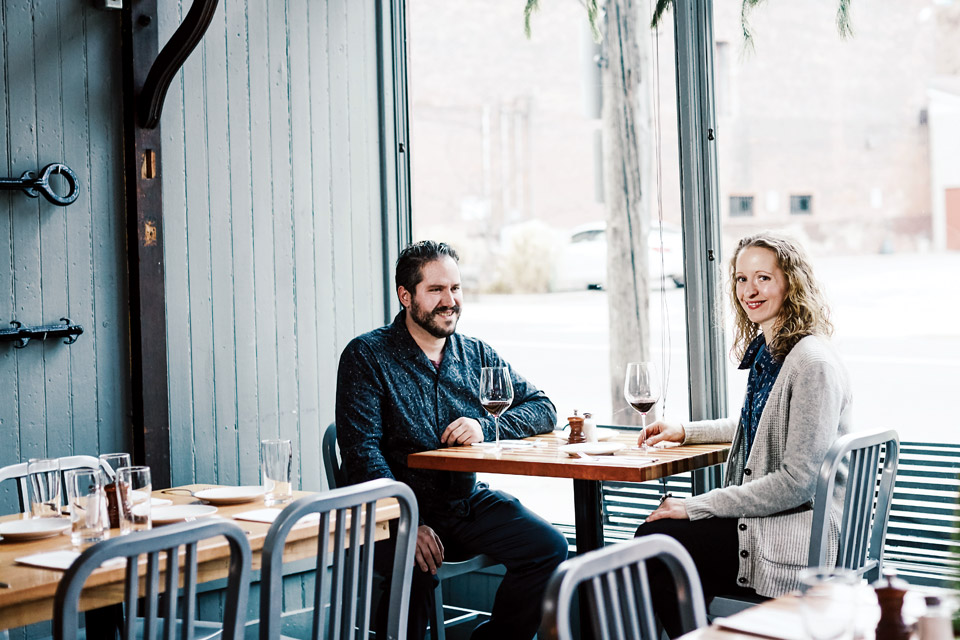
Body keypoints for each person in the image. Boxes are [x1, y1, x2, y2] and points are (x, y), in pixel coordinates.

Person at [335, 240, 568, 640]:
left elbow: (543, 407)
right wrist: (408, 522)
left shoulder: (475, 353)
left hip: (463, 501)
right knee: (416, 567)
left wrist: (485, 427)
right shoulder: (367, 355)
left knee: (548, 548)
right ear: (406, 296)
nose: (450, 301)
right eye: (436, 290)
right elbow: (361, 455)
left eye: (456, 289)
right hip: (389, 512)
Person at [635, 232, 852, 637]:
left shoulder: (811, 364)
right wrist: (685, 431)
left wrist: (697, 506)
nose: (749, 291)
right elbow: (765, 422)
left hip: (798, 533)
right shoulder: (776, 351)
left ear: (791, 281)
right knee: (664, 541)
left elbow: (797, 483)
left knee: (656, 542)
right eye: (741, 279)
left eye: (764, 278)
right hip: (780, 519)